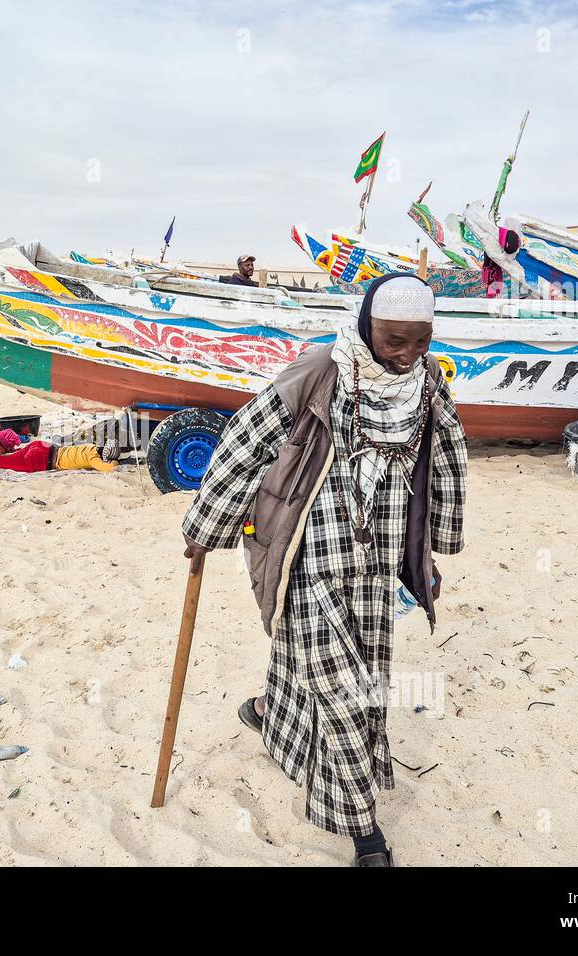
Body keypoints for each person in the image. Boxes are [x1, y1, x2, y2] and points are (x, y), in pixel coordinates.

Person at [179, 273, 468, 867]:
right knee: (344, 687)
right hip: (309, 551)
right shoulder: (320, 373)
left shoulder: (427, 383)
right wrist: (205, 530)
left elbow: (446, 456)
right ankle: (364, 827)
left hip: (378, 556)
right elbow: (244, 445)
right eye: (394, 341)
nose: (407, 355)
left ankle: (269, 713)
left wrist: (433, 549)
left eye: (420, 340)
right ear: (368, 326)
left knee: (344, 662)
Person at [0, 435, 121, 473]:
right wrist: (114, 462)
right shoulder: (93, 458)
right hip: (40, 459)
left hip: (42, 446)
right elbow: (110, 469)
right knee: (1, 463)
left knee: (6, 458)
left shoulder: (92, 447)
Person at [481, 228, 521, 298]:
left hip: (492, 269)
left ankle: (492, 298)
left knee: (492, 286)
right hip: (492, 269)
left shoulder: (498, 237)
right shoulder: (493, 238)